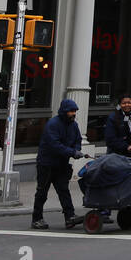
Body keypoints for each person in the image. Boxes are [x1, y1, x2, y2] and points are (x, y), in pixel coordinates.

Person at [33, 98, 87, 230]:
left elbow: (78, 139)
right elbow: (54, 145)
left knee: (64, 190)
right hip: (47, 163)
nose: (73, 114)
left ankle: (70, 216)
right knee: (42, 192)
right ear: (64, 111)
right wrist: (72, 152)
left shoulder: (73, 125)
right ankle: (37, 218)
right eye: (71, 111)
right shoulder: (53, 124)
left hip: (62, 164)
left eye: (74, 111)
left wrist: (76, 149)